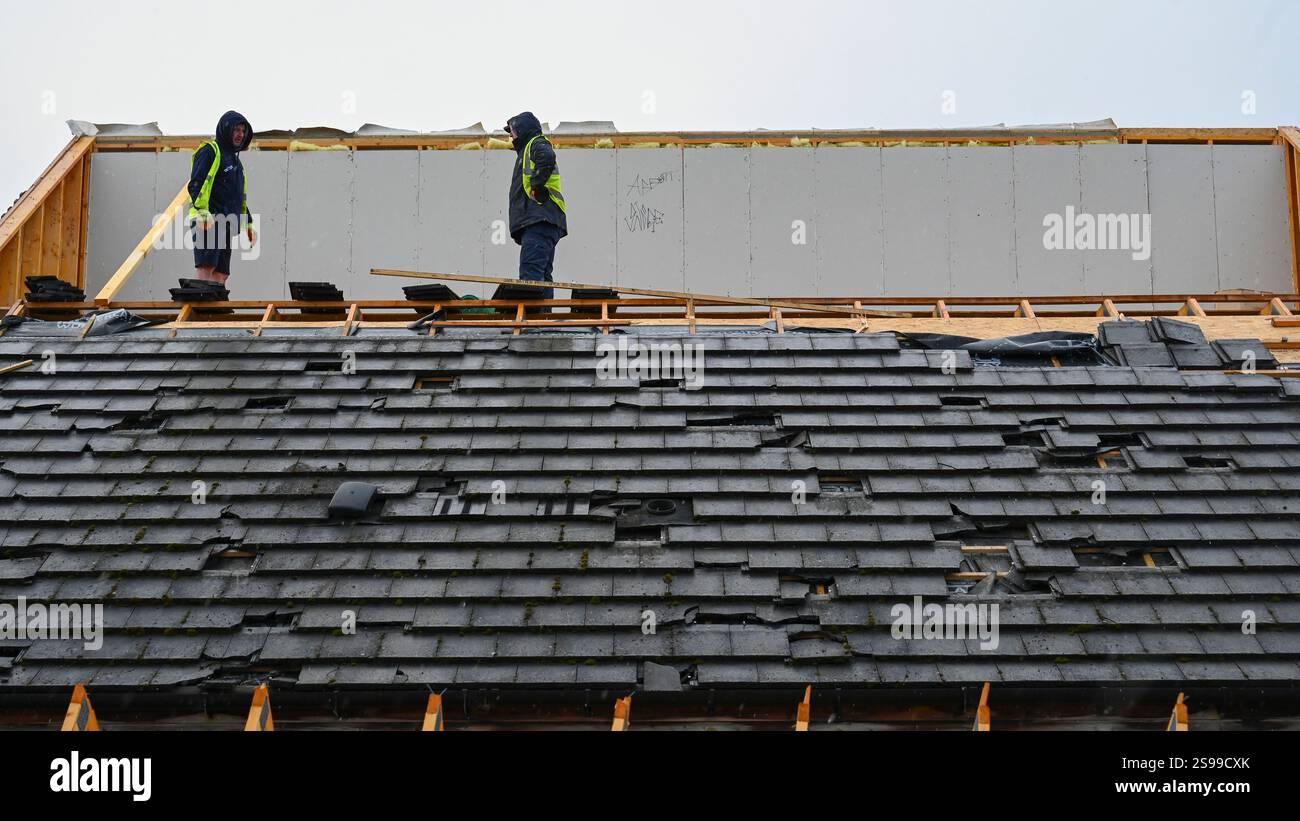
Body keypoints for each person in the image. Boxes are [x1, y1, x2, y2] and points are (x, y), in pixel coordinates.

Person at [187, 111, 256, 285]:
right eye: (236, 129)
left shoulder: (236, 163)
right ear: (226, 129)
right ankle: (201, 307)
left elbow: (238, 198)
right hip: (208, 218)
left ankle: (215, 308)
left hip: (226, 222)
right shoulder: (210, 151)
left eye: (242, 130)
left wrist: (248, 224)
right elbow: (196, 183)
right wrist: (203, 212)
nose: (240, 134)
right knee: (207, 267)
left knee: (221, 273)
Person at [505, 112, 567, 300]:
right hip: (544, 221)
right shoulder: (528, 149)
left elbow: (547, 157)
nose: (510, 137)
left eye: (513, 132)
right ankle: (543, 320)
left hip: (539, 220)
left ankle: (533, 324)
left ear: (522, 130)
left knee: (531, 275)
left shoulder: (536, 143)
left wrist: (537, 185)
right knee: (542, 277)